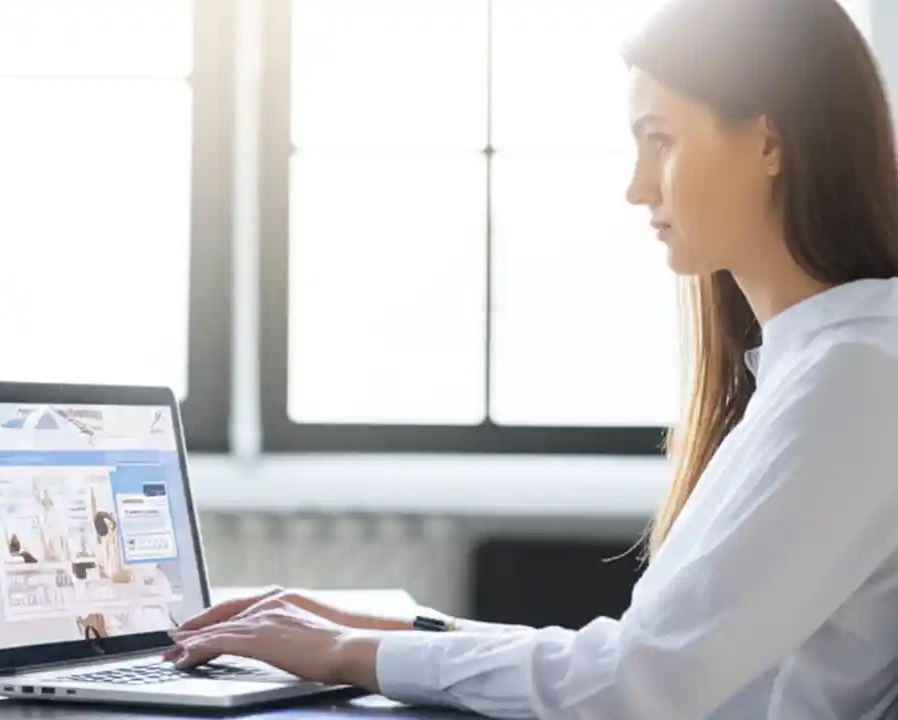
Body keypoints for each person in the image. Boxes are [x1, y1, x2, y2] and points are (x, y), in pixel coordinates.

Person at [165, 0, 898, 716]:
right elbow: (640, 659)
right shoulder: (820, 367)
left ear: (770, 142)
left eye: (661, 140)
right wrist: (388, 631)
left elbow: (637, 687)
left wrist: (346, 654)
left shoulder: (854, 378)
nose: (637, 187)